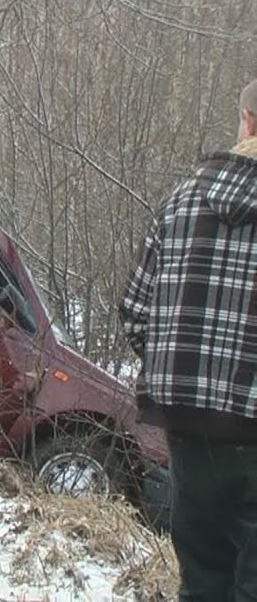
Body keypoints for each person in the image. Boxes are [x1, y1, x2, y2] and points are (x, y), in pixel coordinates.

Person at [120, 79, 257, 600]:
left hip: (190, 437)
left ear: (245, 121)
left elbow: (135, 310)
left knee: (201, 585)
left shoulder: (179, 203)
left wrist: (185, 374)